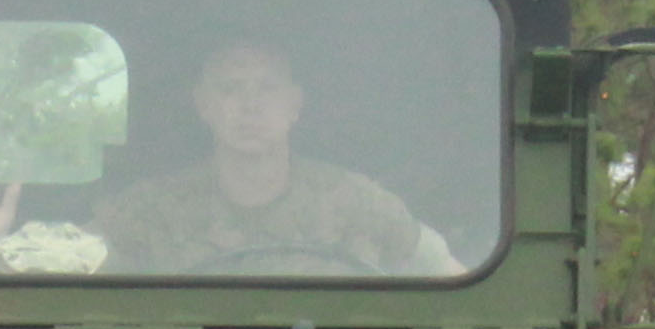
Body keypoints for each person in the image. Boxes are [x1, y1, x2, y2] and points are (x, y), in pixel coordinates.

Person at [82, 41, 460, 278]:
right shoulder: (151, 213)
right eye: (231, 88)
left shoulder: (358, 204)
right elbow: (77, 293)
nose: (251, 105)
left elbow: (453, 281)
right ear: (203, 105)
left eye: (267, 87)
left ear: (294, 104)